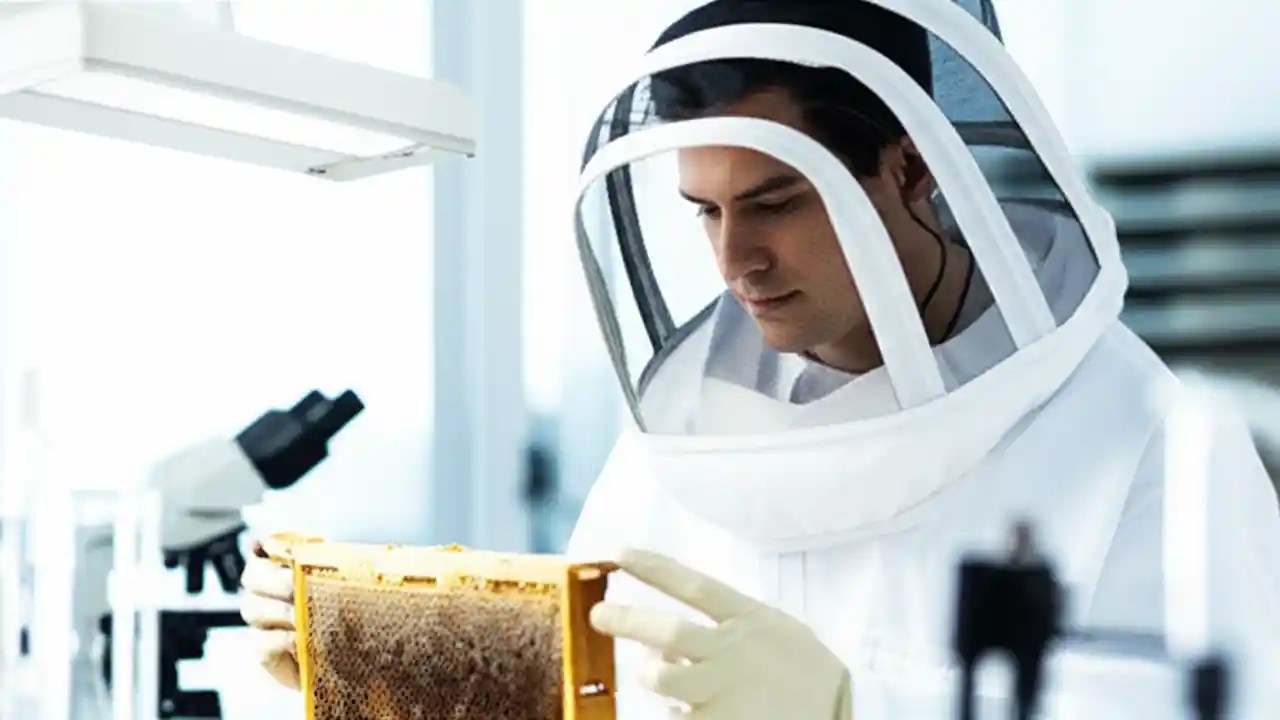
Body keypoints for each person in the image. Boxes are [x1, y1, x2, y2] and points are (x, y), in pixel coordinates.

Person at [242, 1, 1280, 717]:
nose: (735, 260)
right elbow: (594, 691)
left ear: (910, 168)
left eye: (775, 201)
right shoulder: (690, 430)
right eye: (705, 211)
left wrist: (860, 708)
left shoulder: (1142, 436)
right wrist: (388, 673)